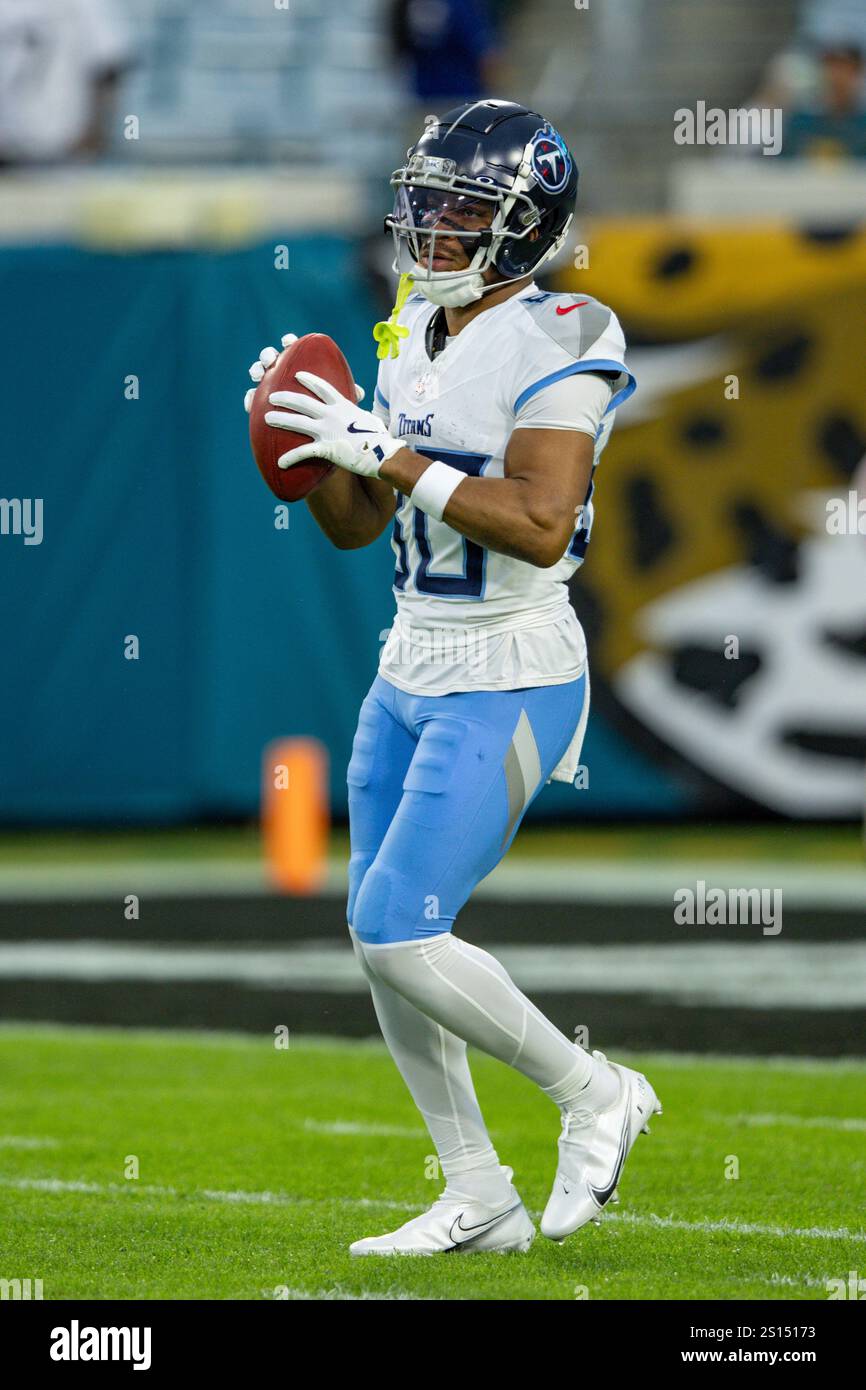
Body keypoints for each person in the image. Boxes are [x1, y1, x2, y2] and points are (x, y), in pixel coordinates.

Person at [245, 99, 660, 1256]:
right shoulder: (407, 327)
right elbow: (355, 522)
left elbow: (536, 522)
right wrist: (308, 444)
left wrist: (383, 447)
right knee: (380, 934)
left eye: (463, 210)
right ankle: (476, 1193)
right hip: (408, 655)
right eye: (425, 205)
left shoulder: (567, 329)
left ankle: (593, 1090)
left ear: (524, 226)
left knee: (394, 926)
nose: (431, 230)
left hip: (512, 664)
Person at [0, 0, 132, 166]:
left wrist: (94, 135)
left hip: (59, 148)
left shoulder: (86, 5)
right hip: (7, 146)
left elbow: (109, 67)